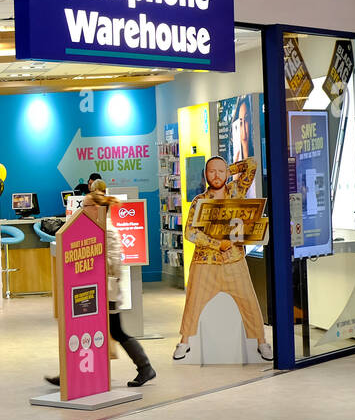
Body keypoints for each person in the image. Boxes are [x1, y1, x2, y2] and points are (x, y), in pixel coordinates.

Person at [45, 179, 156, 388]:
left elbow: (114, 263)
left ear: (96, 208)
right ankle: (72, 372)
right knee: (81, 331)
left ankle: (145, 367)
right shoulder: (90, 229)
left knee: (117, 332)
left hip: (107, 294)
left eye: (85, 205)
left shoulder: (109, 231)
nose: (82, 209)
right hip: (90, 292)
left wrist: (90, 258)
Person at [174, 155, 272, 361]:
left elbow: (252, 164)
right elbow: (190, 232)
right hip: (205, 262)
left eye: (221, 171)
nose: (216, 175)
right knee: (193, 302)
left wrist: (229, 168)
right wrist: (217, 244)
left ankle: (262, 342)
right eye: (211, 171)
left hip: (234, 260)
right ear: (205, 175)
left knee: (249, 301)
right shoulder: (199, 201)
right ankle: (184, 342)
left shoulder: (236, 191)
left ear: (227, 172)